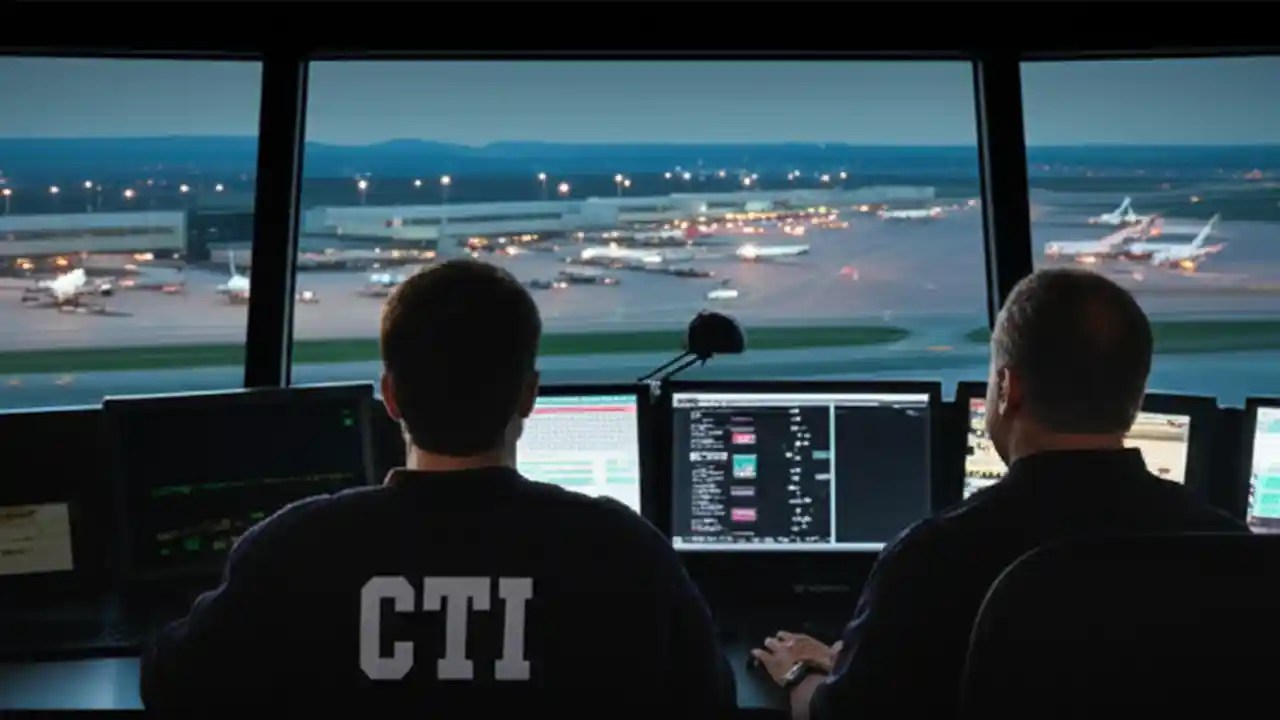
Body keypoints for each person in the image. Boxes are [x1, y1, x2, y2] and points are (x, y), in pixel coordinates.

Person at [142, 259, 735, 713]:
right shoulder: (626, 551)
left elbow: (169, 683)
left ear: (391, 397)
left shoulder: (291, 549)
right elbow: (710, 700)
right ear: (529, 395)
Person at [750, 268, 1248, 719]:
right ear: (1136, 398)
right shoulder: (1229, 548)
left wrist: (801, 675)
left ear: (1007, 389)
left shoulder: (933, 558)